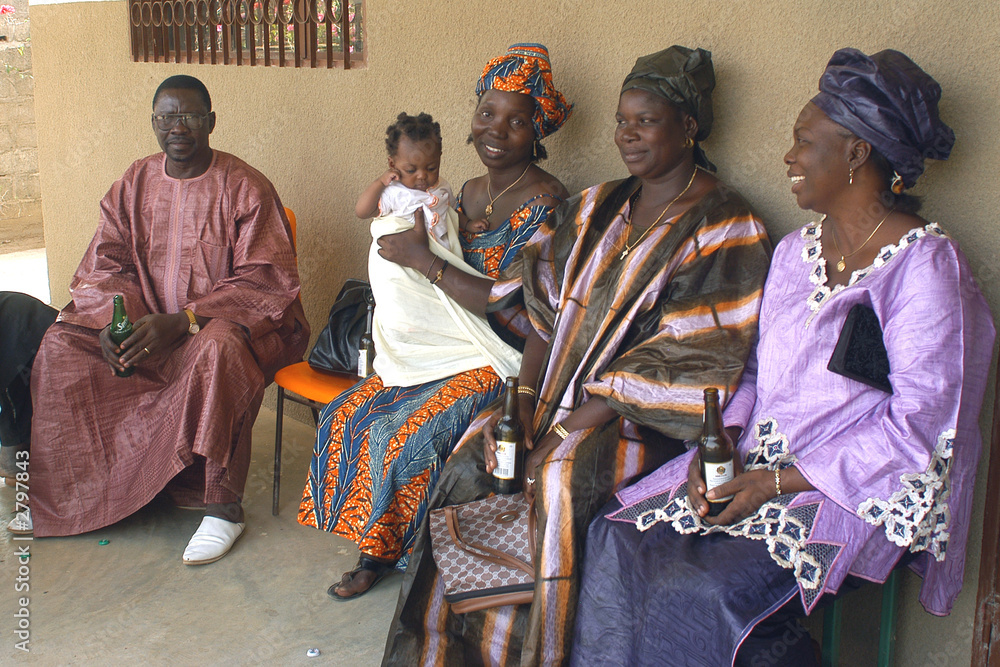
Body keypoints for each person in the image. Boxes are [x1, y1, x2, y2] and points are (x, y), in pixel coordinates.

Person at [571, 48, 995, 667]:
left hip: (858, 482)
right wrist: (720, 450)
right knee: (616, 535)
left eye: (804, 141)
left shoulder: (924, 266)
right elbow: (753, 373)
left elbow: (923, 426)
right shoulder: (796, 253)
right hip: (760, 461)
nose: (790, 158)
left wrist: (773, 484)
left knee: (709, 591)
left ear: (857, 153)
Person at [383, 45, 772, 666]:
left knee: (556, 477)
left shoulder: (725, 224)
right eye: (622, 120)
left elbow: (681, 361)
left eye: (645, 120)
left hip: (641, 423)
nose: (627, 135)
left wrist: (559, 431)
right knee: (478, 456)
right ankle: (446, 653)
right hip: (556, 401)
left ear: (689, 127)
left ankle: (537, 652)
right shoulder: (595, 206)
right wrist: (526, 409)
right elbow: (540, 313)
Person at [298, 43, 572, 600]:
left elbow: (519, 306)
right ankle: (382, 544)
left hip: (502, 355)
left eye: (517, 120)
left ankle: (394, 555)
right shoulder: (460, 191)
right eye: (488, 113)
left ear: (537, 129)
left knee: (406, 437)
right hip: (437, 344)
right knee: (349, 416)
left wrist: (420, 260)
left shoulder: (548, 202)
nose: (497, 129)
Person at [21, 75, 309, 566]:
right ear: (153, 122)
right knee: (61, 346)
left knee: (219, 348)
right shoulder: (134, 182)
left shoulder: (245, 187)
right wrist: (119, 327)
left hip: (218, 330)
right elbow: (106, 265)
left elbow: (267, 281)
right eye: (166, 117)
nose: (178, 127)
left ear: (211, 122)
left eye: (191, 116)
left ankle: (223, 507)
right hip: (148, 327)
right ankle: (73, 493)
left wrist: (186, 321)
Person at [355, 112, 518, 388]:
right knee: (405, 310)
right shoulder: (394, 192)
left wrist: (468, 223)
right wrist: (380, 182)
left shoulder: (441, 187)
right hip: (400, 269)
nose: (422, 176)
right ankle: (413, 347)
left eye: (431, 167)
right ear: (393, 165)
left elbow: (450, 214)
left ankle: (438, 349)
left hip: (435, 263)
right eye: (412, 170)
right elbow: (362, 211)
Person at [0, 292, 57, 477]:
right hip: (31, 325)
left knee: (16, 400)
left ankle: (17, 468)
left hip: (29, 330)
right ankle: (18, 467)